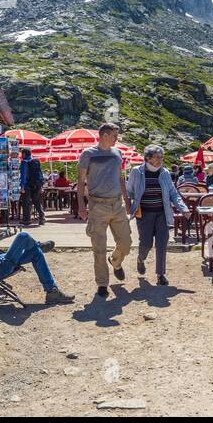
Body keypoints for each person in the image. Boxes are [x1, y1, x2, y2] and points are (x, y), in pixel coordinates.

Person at [78, 122, 131, 299]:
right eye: (115, 135)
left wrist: (127, 200)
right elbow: (80, 181)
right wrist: (80, 205)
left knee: (126, 243)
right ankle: (102, 283)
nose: (117, 139)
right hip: (97, 206)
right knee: (99, 249)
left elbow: (120, 178)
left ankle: (116, 261)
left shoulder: (118, 153)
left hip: (117, 205)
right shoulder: (88, 154)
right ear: (105, 135)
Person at [126, 145, 186, 286]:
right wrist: (129, 209)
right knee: (146, 243)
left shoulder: (164, 172)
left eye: (161, 157)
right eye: (157, 157)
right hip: (144, 215)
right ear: (148, 158)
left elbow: (173, 192)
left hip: (162, 214)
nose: (160, 160)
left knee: (161, 244)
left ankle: (161, 274)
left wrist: (183, 208)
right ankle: (141, 259)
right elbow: (129, 191)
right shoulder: (137, 172)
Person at [19, 148, 45, 227]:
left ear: (24, 154)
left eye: (22, 154)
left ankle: (27, 220)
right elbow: (40, 174)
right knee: (36, 201)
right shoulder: (36, 161)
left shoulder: (24, 162)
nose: (21, 155)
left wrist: (22, 186)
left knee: (26, 202)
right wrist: (41, 186)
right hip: (37, 185)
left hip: (27, 185)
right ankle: (41, 217)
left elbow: (23, 175)